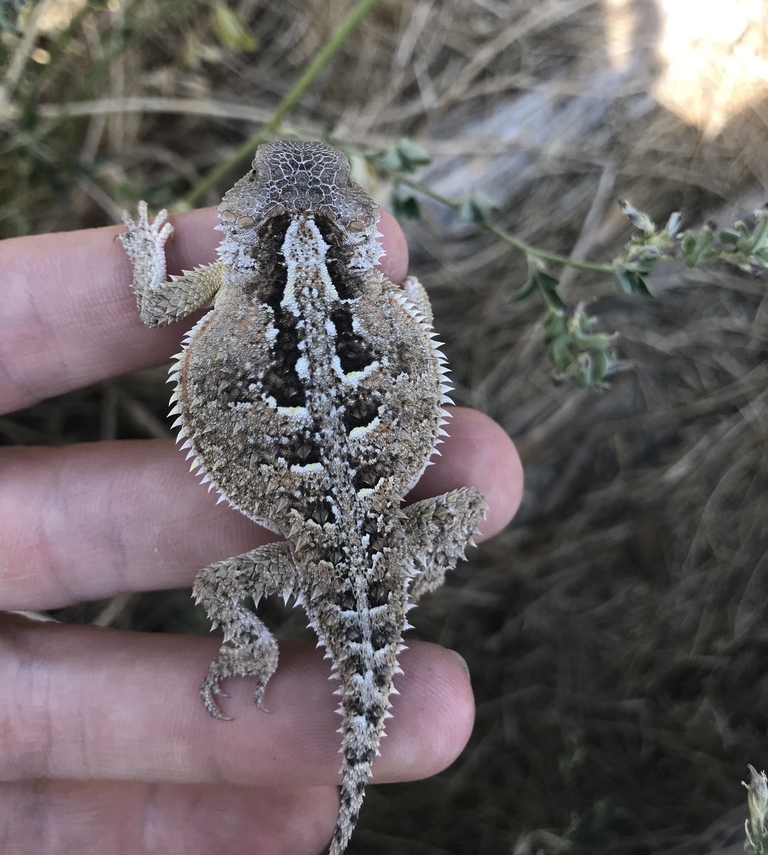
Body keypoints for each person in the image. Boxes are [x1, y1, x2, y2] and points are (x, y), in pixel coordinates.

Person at [0, 204, 523, 854]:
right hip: (383, 530)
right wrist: (416, 561)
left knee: (223, 588)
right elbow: (416, 318)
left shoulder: (228, 275)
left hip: (339, 533)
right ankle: (348, 608)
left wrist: (143, 249)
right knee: (468, 504)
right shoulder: (370, 291)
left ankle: (255, 648)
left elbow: (158, 303)